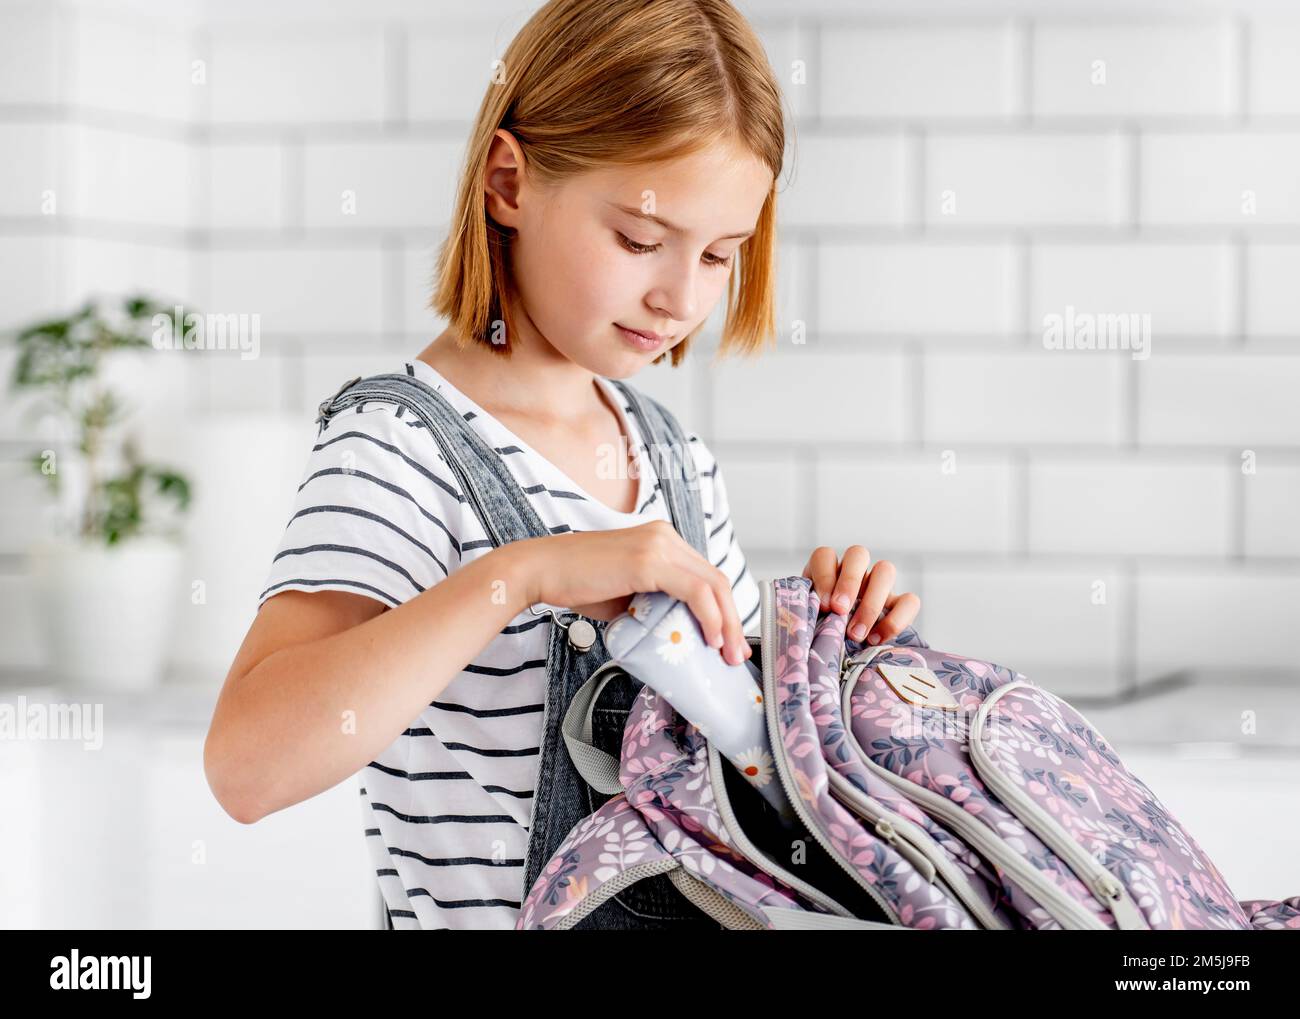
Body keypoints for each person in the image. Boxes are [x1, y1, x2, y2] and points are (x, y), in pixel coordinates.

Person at [204, 0, 919, 930]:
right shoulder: (401, 444)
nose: (679, 295)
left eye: (718, 255)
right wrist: (524, 573)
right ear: (508, 182)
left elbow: (762, 793)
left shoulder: (674, 458)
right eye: (638, 239)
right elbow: (247, 767)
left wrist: (832, 653)